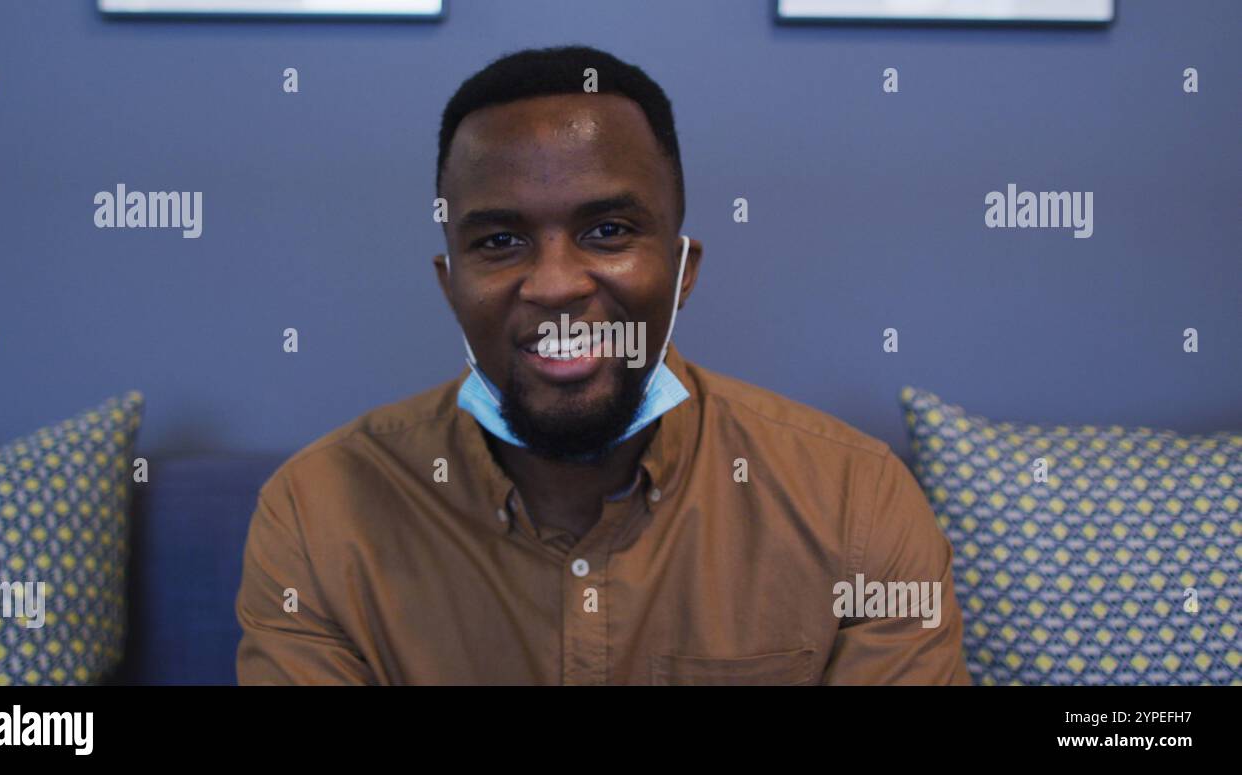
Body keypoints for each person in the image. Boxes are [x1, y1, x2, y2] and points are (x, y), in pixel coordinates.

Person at [235, 45, 971, 685]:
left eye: (609, 230)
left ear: (682, 269)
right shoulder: (316, 515)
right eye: (499, 241)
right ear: (449, 285)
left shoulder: (856, 507)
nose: (556, 285)